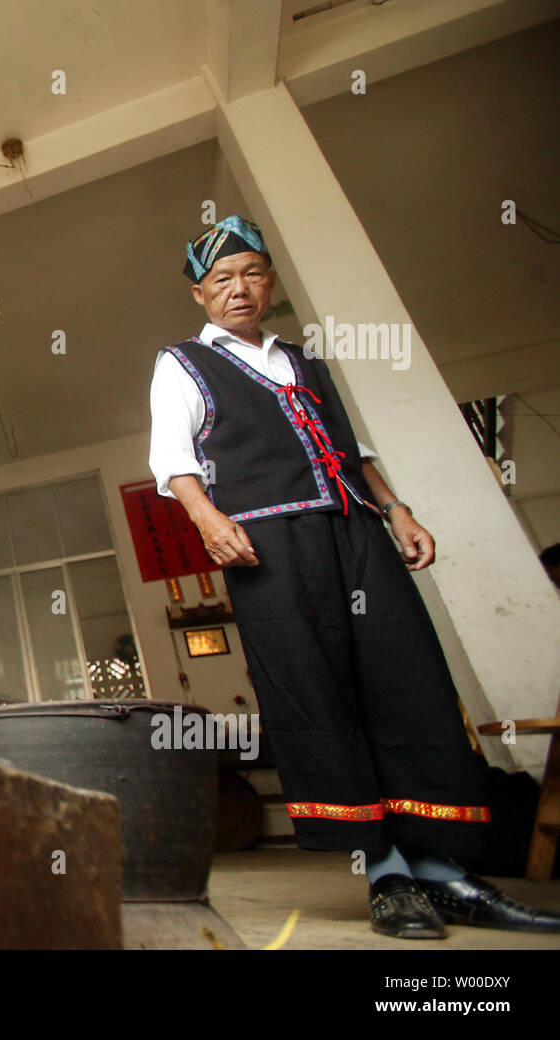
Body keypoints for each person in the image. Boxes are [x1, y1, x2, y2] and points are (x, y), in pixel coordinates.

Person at [149, 215, 560, 938]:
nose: (238, 289)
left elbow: (352, 449)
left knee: (408, 683)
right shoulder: (182, 363)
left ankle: (447, 874)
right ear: (199, 295)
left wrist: (397, 510)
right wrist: (210, 522)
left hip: (355, 530)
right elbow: (173, 461)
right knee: (315, 692)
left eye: (250, 273)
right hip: (270, 547)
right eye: (221, 280)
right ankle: (386, 874)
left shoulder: (307, 362)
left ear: (270, 280)